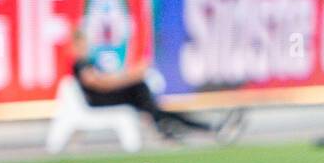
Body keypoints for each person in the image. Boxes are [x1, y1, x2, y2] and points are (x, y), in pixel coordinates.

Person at [70, 30, 244, 142]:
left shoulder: (88, 62)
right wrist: (132, 76)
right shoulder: (81, 64)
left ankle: (170, 125)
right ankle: (198, 127)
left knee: (153, 104)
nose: (86, 47)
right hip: (103, 101)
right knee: (142, 90)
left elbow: (106, 80)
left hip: (121, 98)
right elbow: (100, 84)